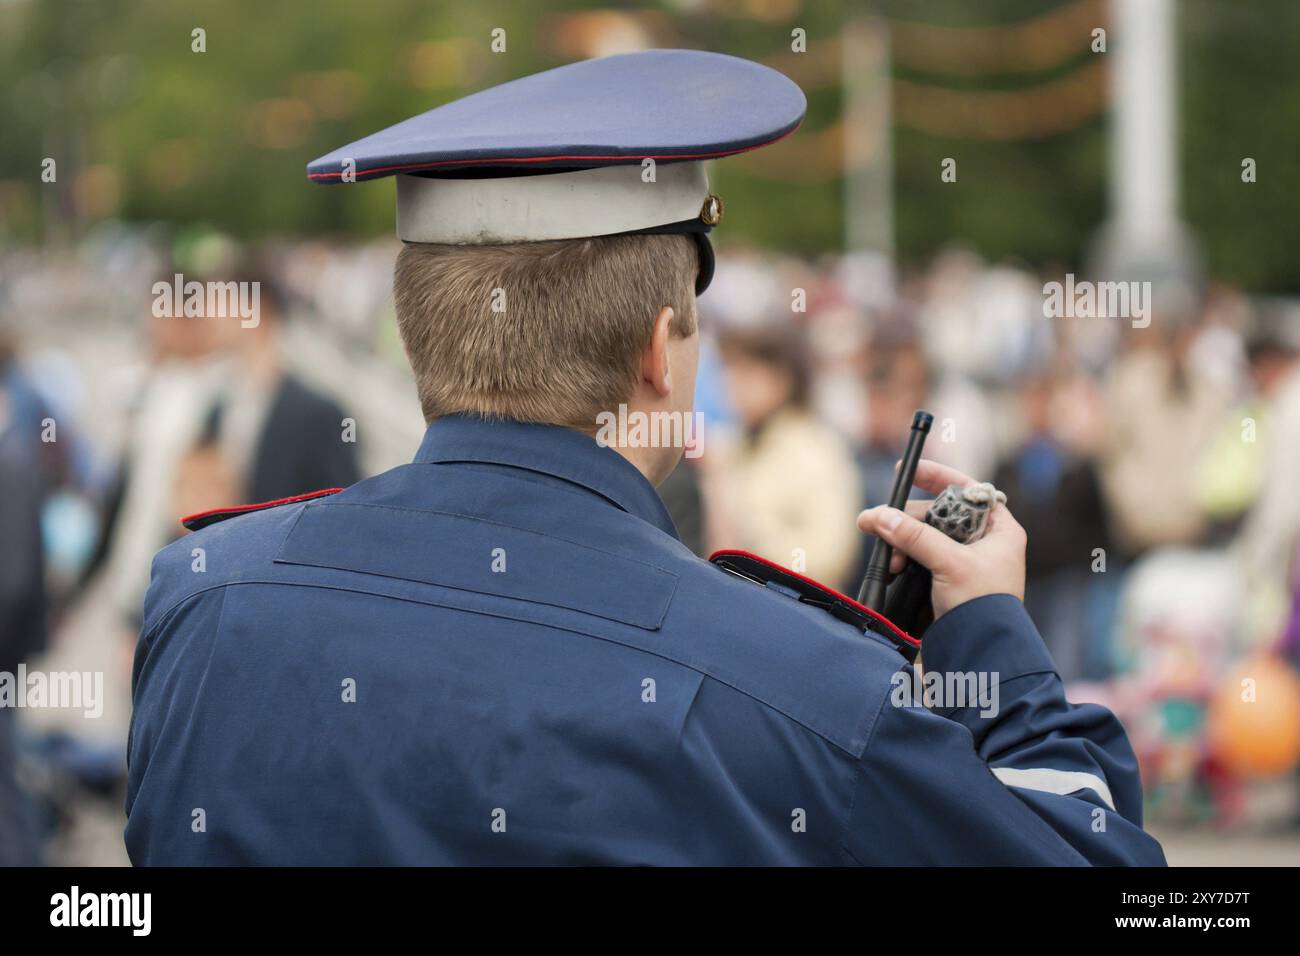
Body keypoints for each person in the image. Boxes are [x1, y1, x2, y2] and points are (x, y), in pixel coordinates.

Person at [125, 49, 1165, 865]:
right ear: (658, 352)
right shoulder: (811, 690)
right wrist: (992, 647)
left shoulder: (203, 598)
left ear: (418, 337)